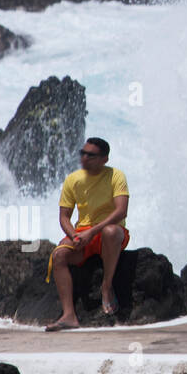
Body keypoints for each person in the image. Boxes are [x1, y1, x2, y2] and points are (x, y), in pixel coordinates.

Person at [44, 137, 130, 331]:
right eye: (82, 153)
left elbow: (121, 211)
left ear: (104, 159)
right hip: (83, 235)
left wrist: (92, 232)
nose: (84, 158)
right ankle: (69, 316)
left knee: (110, 232)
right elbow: (64, 217)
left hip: (110, 232)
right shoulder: (73, 179)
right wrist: (74, 236)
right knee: (59, 255)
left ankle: (106, 287)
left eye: (91, 155)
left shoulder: (116, 176)